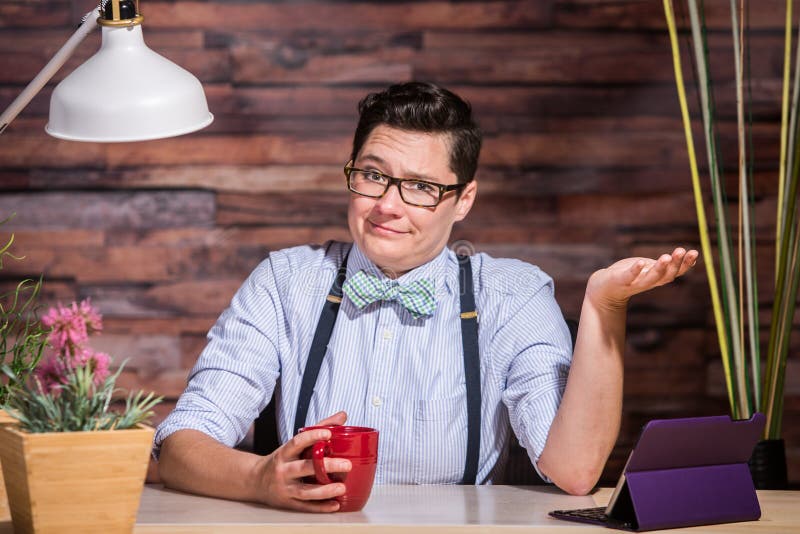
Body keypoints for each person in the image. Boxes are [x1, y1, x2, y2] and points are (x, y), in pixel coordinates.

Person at [155, 81, 698, 512]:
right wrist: (258, 478)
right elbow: (181, 445)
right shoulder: (285, 282)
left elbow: (575, 470)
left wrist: (605, 310)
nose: (388, 205)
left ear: (464, 200)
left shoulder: (513, 294)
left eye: (421, 187)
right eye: (373, 175)